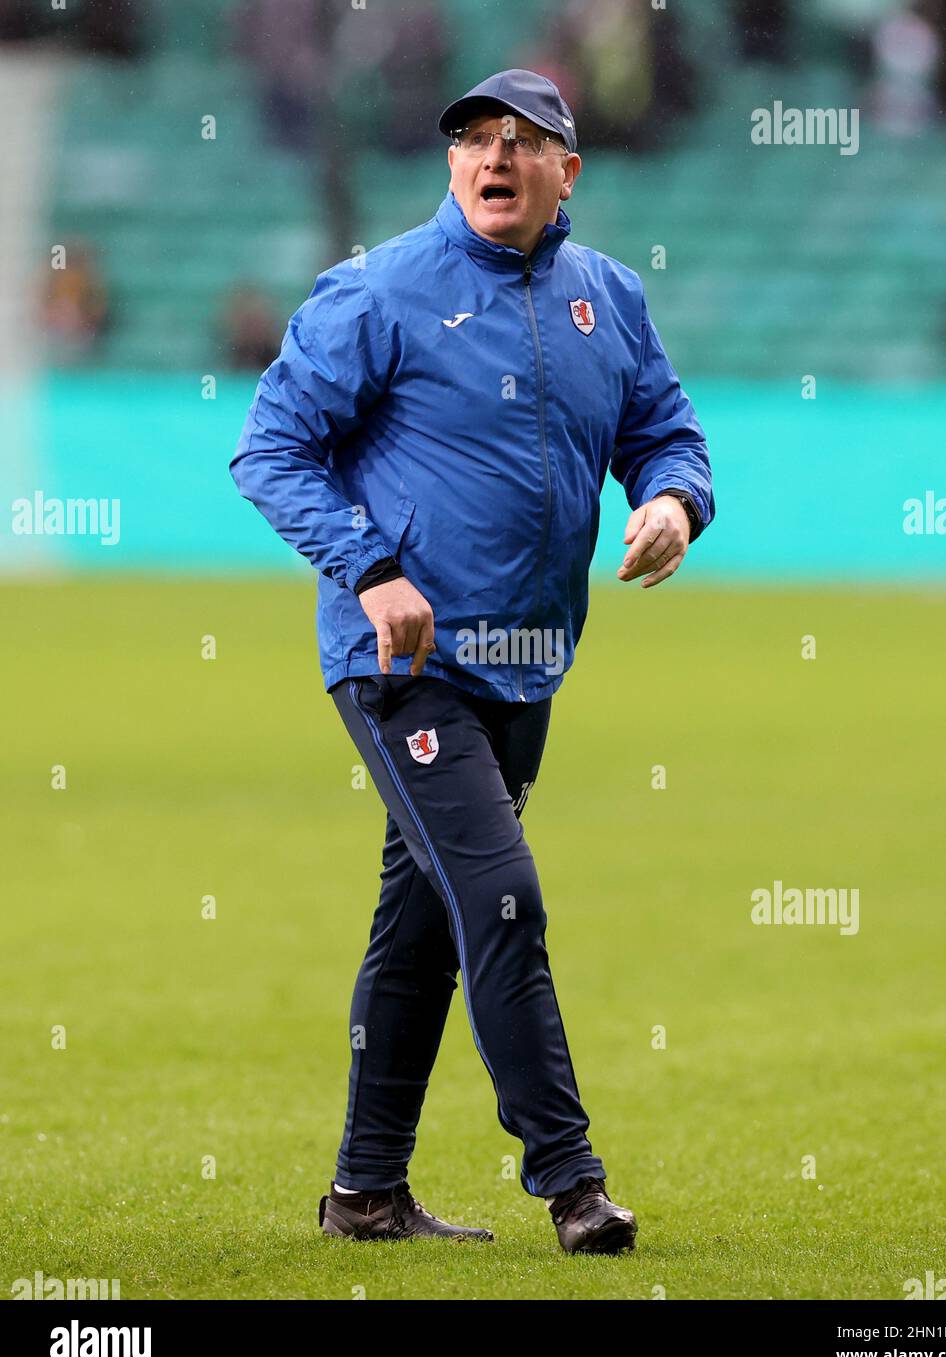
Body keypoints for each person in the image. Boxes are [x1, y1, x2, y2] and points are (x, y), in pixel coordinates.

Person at [229, 69, 715, 1254]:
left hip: (527, 661)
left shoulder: (611, 298)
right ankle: (570, 1180)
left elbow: (667, 430)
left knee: (428, 925)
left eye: (521, 140)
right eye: (471, 140)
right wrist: (371, 568)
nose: (493, 156)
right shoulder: (379, 290)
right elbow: (270, 447)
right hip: (403, 661)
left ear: (567, 171)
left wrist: (672, 501)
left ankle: (365, 1194)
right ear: (450, 166)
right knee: (503, 895)